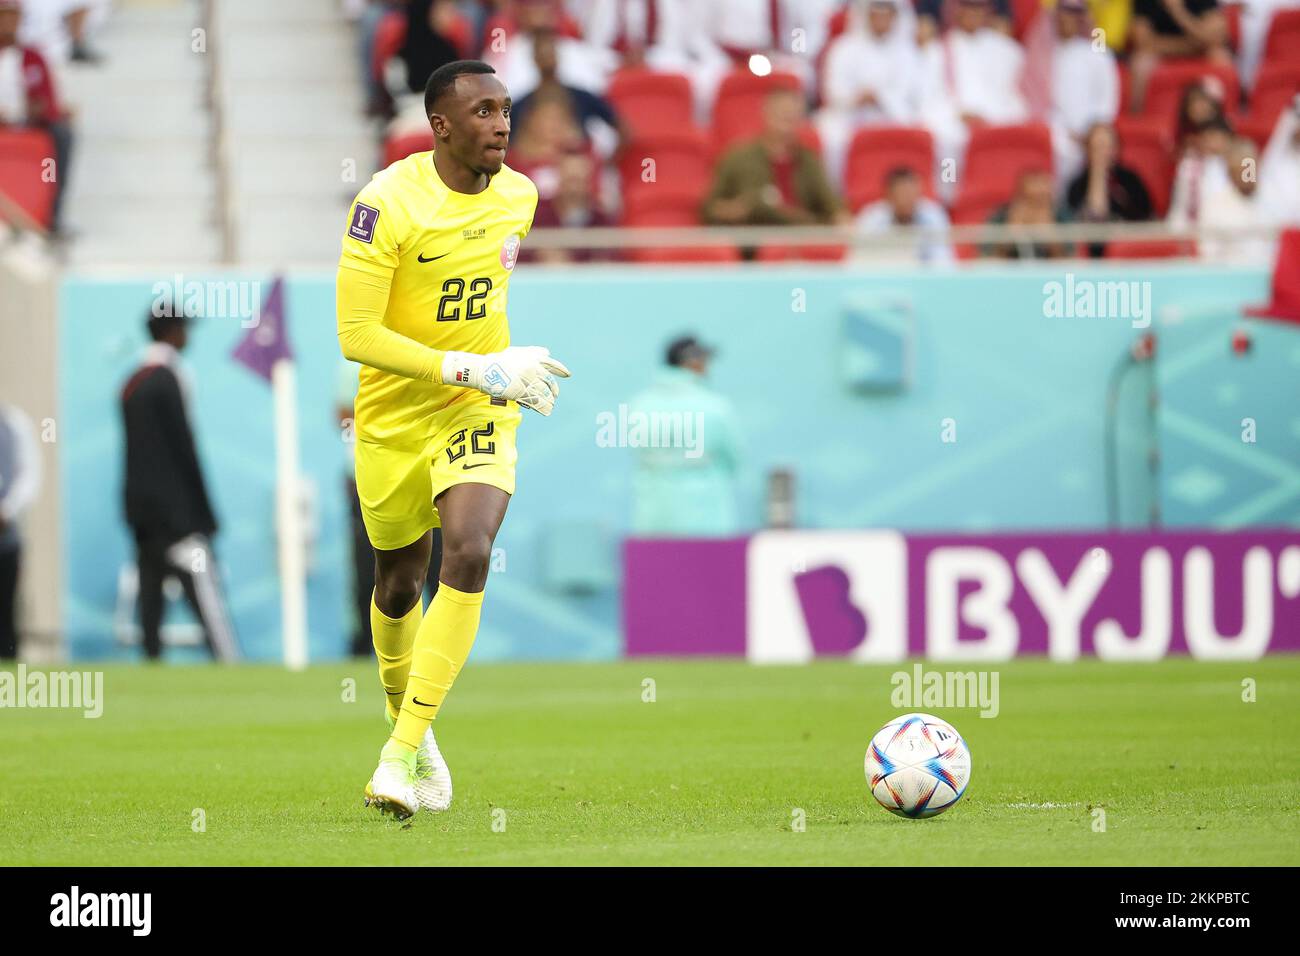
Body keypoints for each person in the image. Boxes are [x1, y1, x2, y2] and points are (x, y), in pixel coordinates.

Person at [337, 59, 572, 819]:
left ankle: (399, 755)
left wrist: (487, 376)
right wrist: (469, 362)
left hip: (477, 409)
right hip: (392, 420)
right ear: (440, 126)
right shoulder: (386, 204)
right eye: (482, 111)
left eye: (505, 108)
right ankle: (405, 715)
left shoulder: (520, 196)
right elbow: (355, 335)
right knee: (399, 581)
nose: (501, 123)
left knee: (468, 550)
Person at [120, 312, 239, 662]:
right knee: (205, 588)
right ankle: (227, 659)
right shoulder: (171, 378)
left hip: (140, 510)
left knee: (151, 594)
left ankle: (151, 663)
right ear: (172, 332)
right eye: (184, 329)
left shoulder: (130, 383)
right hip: (177, 514)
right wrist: (203, 514)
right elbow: (183, 449)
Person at [337, 359, 440, 657]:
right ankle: (365, 647)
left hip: (428, 476)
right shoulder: (355, 364)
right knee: (369, 567)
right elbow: (343, 416)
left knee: (437, 564)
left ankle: (433, 650)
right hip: (371, 477)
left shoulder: (432, 354)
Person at [629, 336, 743, 537]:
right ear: (693, 362)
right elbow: (734, 459)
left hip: (654, 517)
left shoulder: (639, 405)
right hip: (707, 520)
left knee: (656, 568)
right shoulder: (716, 407)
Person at [703, 87, 847, 227]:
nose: (787, 122)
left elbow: (833, 207)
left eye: (792, 117)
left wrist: (841, 221)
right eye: (781, 114)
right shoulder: (739, 157)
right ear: (766, 114)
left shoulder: (808, 160)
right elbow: (710, 209)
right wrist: (734, 210)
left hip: (800, 237)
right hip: (754, 240)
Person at [816, 0, 921, 185]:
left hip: (893, 115)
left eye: (886, 15)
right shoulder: (843, 48)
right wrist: (857, 97)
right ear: (866, 15)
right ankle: (835, 190)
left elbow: (912, 94)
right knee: (831, 139)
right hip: (851, 114)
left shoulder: (907, 52)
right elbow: (833, 91)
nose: (881, 20)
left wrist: (880, 97)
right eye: (876, 14)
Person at [0, 0, 74, 233]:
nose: (10, 23)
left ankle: (52, 215)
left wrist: (36, 111)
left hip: (28, 122)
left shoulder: (32, 57)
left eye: (14, 17)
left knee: (62, 135)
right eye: (5, 16)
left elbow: (48, 102)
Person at [1065, 123, 1154, 255]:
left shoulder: (1130, 179)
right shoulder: (1077, 185)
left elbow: (1146, 217)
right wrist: (1098, 174)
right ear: (1088, 150)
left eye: (1107, 146)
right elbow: (1094, 220)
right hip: (1094, 254)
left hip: (1131, 250)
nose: (1103, 152)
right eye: (1097, 147)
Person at [1128, 0, 1231, 110]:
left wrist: (1178, 11)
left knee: (1221, 56)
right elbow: (1143, 42)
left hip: (1196, 51)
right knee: (1140, 61)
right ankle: (1137, 115)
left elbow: (1215, 37)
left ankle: (1226, 115)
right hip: (1167, 51)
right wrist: (1193, 44)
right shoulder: (1144, 2)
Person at [0, 401, 38, 661]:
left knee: (5, 610)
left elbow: (28, 475)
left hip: (6, 536)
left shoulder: (14, 425)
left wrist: (7, 510)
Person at [855, 166, 955, 264]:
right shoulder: (871, 219)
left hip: (923, 279)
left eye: (912, 193)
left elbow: (944, 263)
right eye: (903, 193)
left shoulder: (934, 215)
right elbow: (859, 263)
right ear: (889, 195)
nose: (908, 199)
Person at [1200, 135, 1275, 263]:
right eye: (1239, 170)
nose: (1246, 176)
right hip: (1232, 277)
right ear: (1229, 173)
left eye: (1249, 169)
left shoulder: (1276, 200)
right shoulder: (1214, 206)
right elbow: (1208, 254)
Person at [982, 168, 1071, 259]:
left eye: (1042, 200)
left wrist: (1051, 238)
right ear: (1019, 196)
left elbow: (1071, 266)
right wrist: (1010, 234)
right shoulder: (1000, 216)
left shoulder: (1062, 216)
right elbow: (987, 261)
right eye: (1031, 200)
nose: (1035, 209)